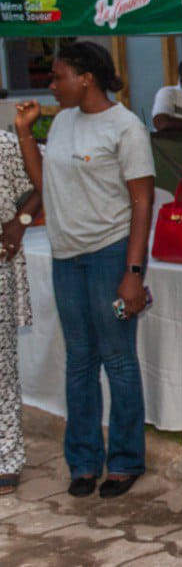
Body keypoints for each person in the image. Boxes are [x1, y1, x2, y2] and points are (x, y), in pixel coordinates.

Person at [14, 42, 154, 499]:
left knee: (117, 360)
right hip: (65, 258)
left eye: (58, 78)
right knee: (78, 361)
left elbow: (142, 202)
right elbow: (44, 184)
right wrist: (23, 133)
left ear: (86, 78)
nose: (51, 86)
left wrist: (133, 270)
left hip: (109, 255)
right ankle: (83, 461)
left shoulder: (125, 128)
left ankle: (126, 460)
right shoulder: (64, 122)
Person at [0, 130, 40, 496]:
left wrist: (21, 222)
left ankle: (6, 459)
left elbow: (45, 178)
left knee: (1, 370)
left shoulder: (4, 145)